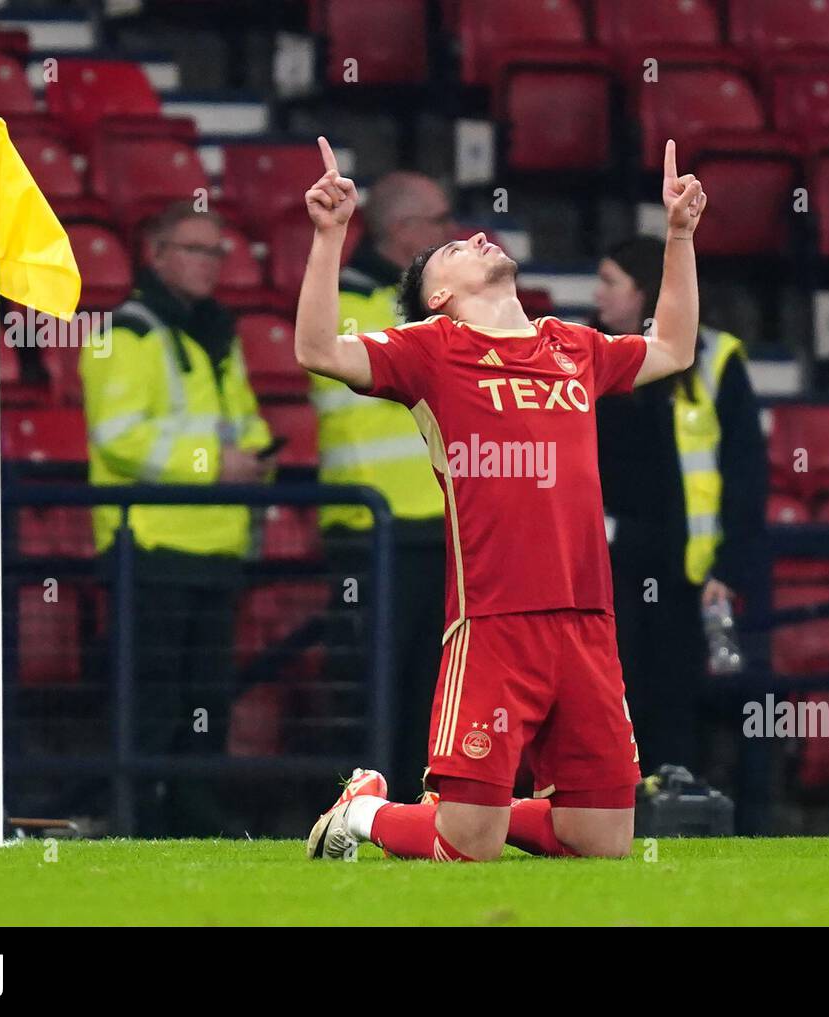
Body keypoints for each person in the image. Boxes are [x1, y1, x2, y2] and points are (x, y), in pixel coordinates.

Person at [296, 135, 707, 861]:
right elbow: (320, 351)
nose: (478, 236)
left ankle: (473, 810)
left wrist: (678, 237)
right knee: (466, 850)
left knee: (602, 842)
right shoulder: (431, 350)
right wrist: (330, 235)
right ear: (439, 298)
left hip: (588, 620)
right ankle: (363, 810)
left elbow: (672, 348)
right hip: (493, 622)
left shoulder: (571, 344)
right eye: (456, 248)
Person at [80, 201, 274, 836]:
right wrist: (215, 463)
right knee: (153, 693)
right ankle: (132, 812)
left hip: (215, 543)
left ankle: (190, 807)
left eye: (217, 251)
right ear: (155, 256)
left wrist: (255, 457)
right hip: (153, 543)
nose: (210, 263)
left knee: (205, 697)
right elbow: (119, 437)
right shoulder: (127, 332)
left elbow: (245, 424)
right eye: (193, 249)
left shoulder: (215, 331)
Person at [594, 237, 768, 777]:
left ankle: (674, 816)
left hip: (684, 568)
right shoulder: (586, 354)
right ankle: (613, 812)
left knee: (675, 702)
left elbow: (745, 473)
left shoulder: (715, 357)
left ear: (643, 291)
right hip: (607, 563)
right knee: (614, 700)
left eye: (609, 283)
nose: (598, 296)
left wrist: (727, 565)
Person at [311, 171, 452, 804]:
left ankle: (423, 804)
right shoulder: (344, 296)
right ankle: (361, 806)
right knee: (374, 683)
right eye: (439, 221)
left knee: (432, 680)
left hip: (437, 524)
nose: (451, 233)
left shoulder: (429, 304)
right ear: (402, 232)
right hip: (373, 529)